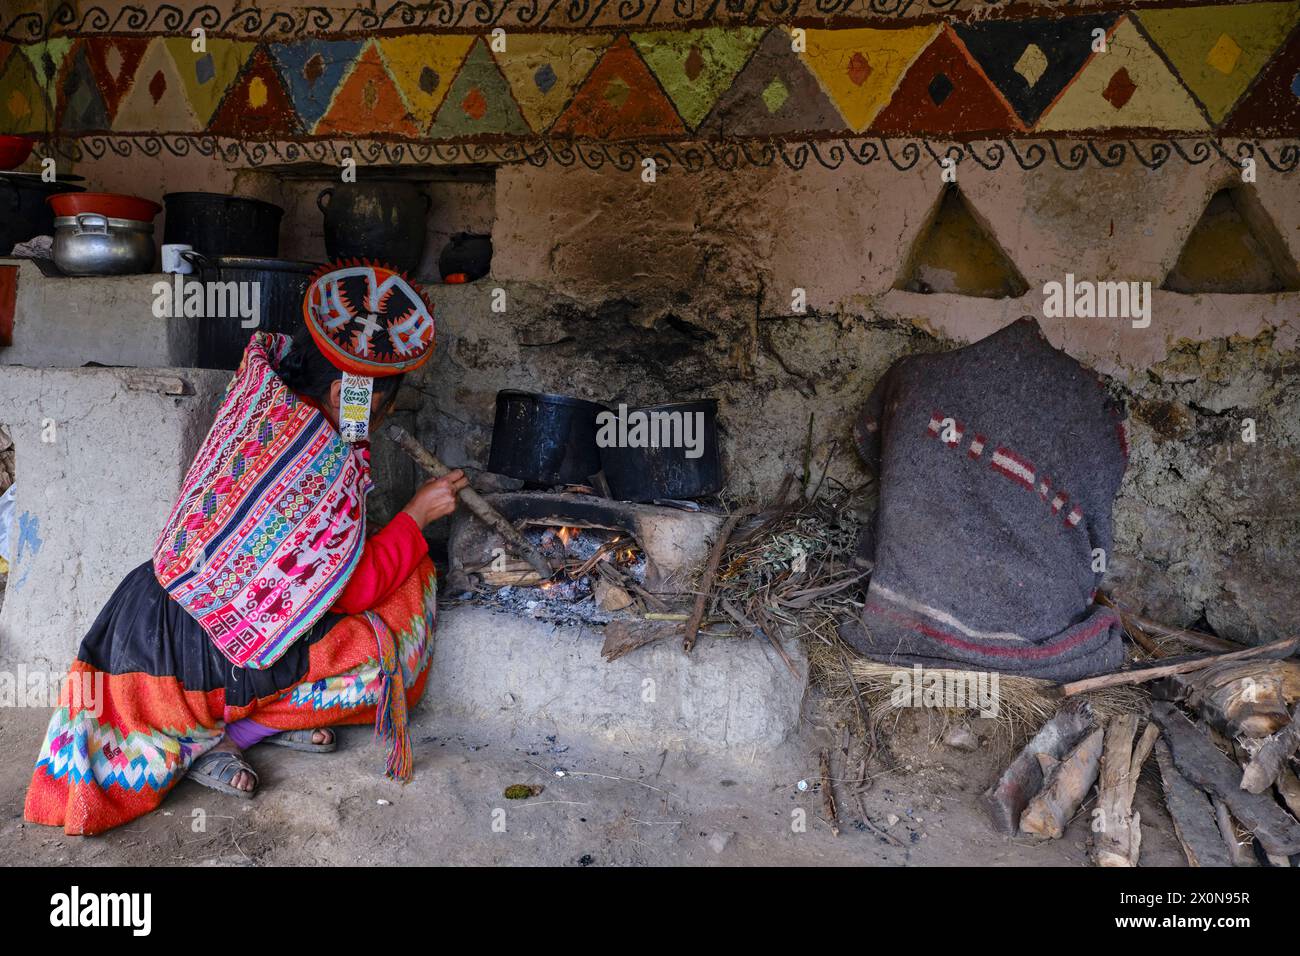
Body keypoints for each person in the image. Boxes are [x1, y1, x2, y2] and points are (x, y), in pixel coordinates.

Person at [24, 262, 467, 835]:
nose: (378, 419)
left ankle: (241, 723)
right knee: (399, 615)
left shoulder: (264, 390)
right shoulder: (319, 460)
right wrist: (416, 516)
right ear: (346, 392)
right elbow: (351, 591)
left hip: (139, 619)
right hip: (180, 672)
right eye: (379, 405)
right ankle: (227, 733)